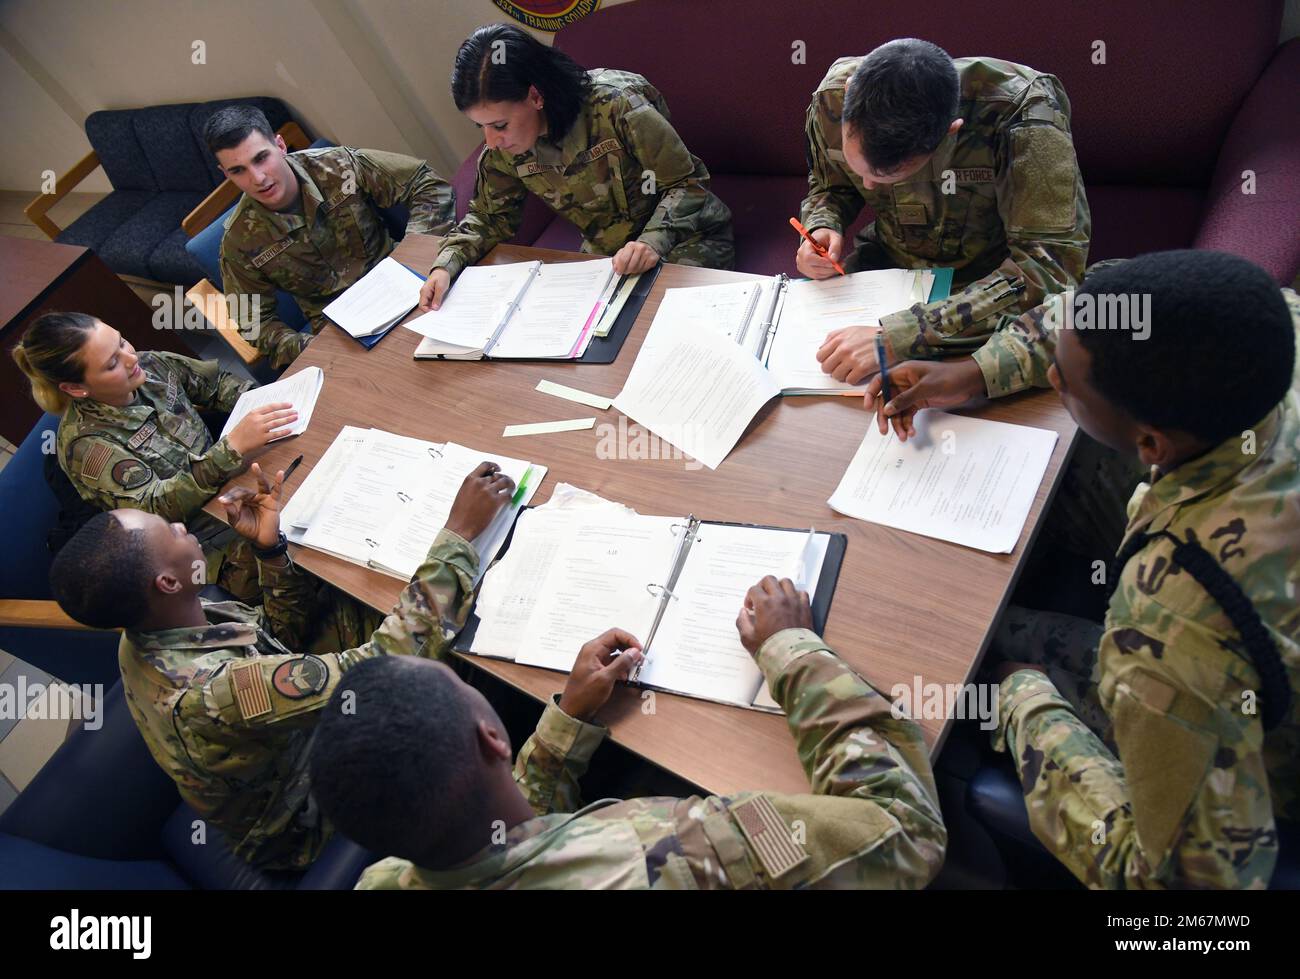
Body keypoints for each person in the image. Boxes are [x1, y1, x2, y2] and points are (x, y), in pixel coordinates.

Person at [885, 250, 1299, 888]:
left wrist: (1026, 703)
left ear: (1153, 445)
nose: (1052, 376)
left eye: (1066, 382)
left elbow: (1185, 893)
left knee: (951, 633)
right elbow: (1095, 306)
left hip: (1252, 750)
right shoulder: (1275, 325)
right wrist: (972, 374)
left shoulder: (1175, 619)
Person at [307, 577, 947, 889]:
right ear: (494, 737)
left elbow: (502, 838)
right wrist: (792, 650)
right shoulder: (679, 852)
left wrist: (566, 721)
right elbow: (905, 834)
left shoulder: (381, 882)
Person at [48, 459, 515, 870]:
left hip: (284, 737)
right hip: (306, 819)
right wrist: (459, 534)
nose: (178, 525)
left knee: (373, 594)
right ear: (167, 582)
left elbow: (276, 644)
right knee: (461, 649)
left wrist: (269, 552)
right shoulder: (214, 689)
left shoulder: (160, 623)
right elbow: (383, 671)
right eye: (166, 529)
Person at [802, 38, 1090, 387]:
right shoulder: (832, 99)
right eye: (857, 166)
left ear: (951, 131)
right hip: (889, 273)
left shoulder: (1025, 111)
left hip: (991, 290)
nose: (868, 185)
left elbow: (1047, 269)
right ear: (850, 95)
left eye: (887, 176)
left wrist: (902, 336)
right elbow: (830, 186)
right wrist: (822, 223)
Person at [419, 22, 734, 311]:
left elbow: (687, 183)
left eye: (499, 124)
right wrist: (446, 265)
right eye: (481, 127)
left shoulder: (617, 107)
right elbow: (488, 219)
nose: (491, 141)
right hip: (609, 256)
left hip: (685, 236)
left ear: (535, 95)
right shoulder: (505, 151)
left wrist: (653, 241)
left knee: (671, 321)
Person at [12, 310, 292, 599]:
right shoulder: (87, 447)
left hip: (239, 483)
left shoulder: (149, 365)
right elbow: (156, 507)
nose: (131, 358)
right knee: (302, 559)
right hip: (204, 542)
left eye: (121, 343)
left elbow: (215, 385)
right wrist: (229, 450)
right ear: (75, 388)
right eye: (112, 363)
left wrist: (271, 404)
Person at [209, 104, 456, 369]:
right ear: (225, 174)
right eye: (238, 171)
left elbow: (425, 184)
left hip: (411, 286)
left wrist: (415, 257)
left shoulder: (338, 167)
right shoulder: (239, 242)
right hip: (343, 337)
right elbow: (254, 323)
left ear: (280, 146)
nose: (257, 178)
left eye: (261, 158)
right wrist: (313, 349)